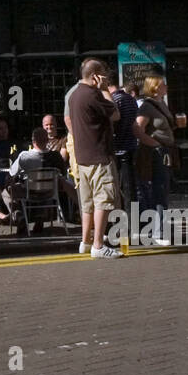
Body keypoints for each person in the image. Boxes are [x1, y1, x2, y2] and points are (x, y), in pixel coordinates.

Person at [67, 60, 123, 258]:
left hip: (82, 157)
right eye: (103, 74)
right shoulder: (93, 94)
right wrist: (105, 89)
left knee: (87, 202)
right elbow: (115, 114)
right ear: (96, 76)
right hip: (99, 155)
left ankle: (86, 241)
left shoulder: (74, 95)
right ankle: (98, 244)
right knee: (103, 200)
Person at [133, 74, 176, 246]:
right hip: (155, 154)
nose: (166, 87)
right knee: (159, 190)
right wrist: (155, 144)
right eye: (163, 84)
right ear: (155, 87)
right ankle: (158, 232)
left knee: (163, 189)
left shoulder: (162, 104)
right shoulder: (146, 107)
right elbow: (137, 129)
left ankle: (161, 229)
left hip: (166, 151)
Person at [3, 127, 69, 235]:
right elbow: (64, 174)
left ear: (33, 141)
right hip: (50, 193)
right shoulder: (56, 157)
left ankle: (19, 215)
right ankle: (40, 220)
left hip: (30, 193)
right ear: (47, 140)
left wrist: (10, 183)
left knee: (6, 192)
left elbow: (11, 174)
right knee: (45, 187)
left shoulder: (24, 156)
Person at [106, 76, 139, 212]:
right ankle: (134, 224)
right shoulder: (130, 99)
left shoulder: (113, 100)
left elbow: (113, 125)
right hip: (131, 147)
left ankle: (125, 224)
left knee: (119, 190)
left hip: (118, 150)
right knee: (131, 188)